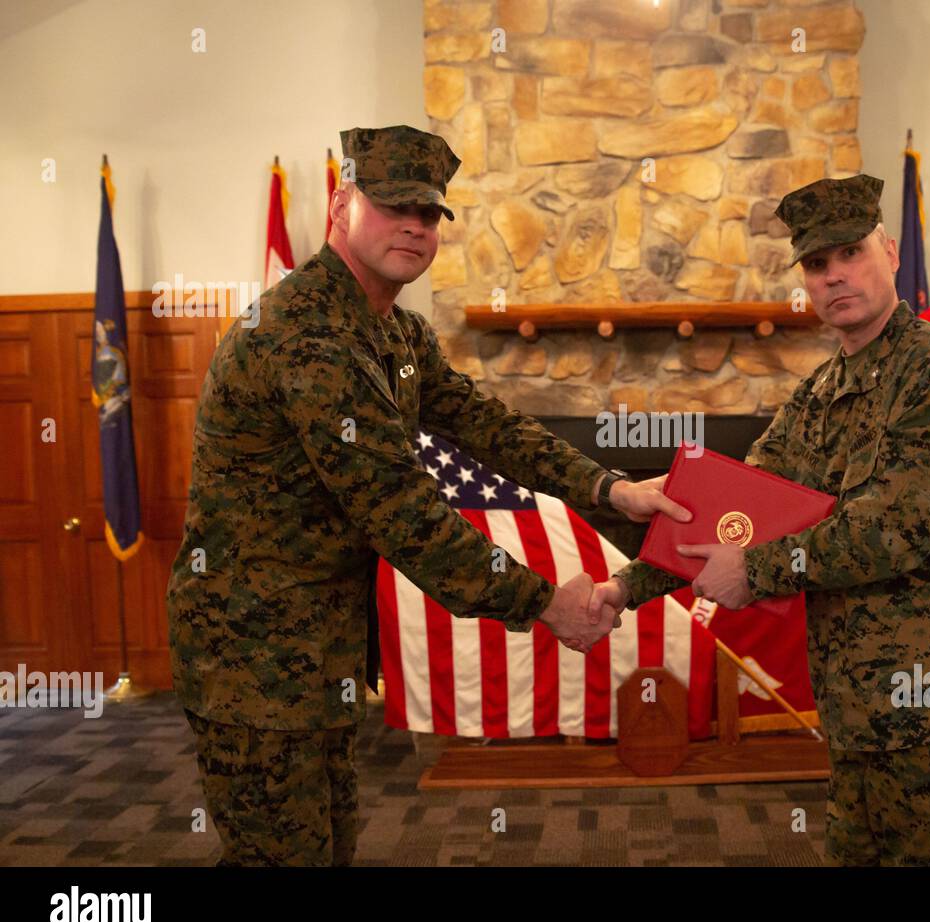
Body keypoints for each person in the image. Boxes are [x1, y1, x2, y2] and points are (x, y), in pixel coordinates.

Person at [166, 125, 689, 866]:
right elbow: (402, 513)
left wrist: (611, 489)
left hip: (317, 656)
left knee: (317, 849)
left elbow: (488, 425)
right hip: (252, 657)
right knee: (284, 856)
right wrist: (546, 603)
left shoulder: (395, 333)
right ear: (344, 204)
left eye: (429, 213)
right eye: (392, 207)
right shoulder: (305, 335)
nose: (414, 225)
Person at [590, 173, 930, 866]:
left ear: (888, 249)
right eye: (817, 264)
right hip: (859, 706)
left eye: (850, 253)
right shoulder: (821, 393)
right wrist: (624, 588)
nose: (835, 276)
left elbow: (901, 527)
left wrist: (757, 572)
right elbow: (737, 507)